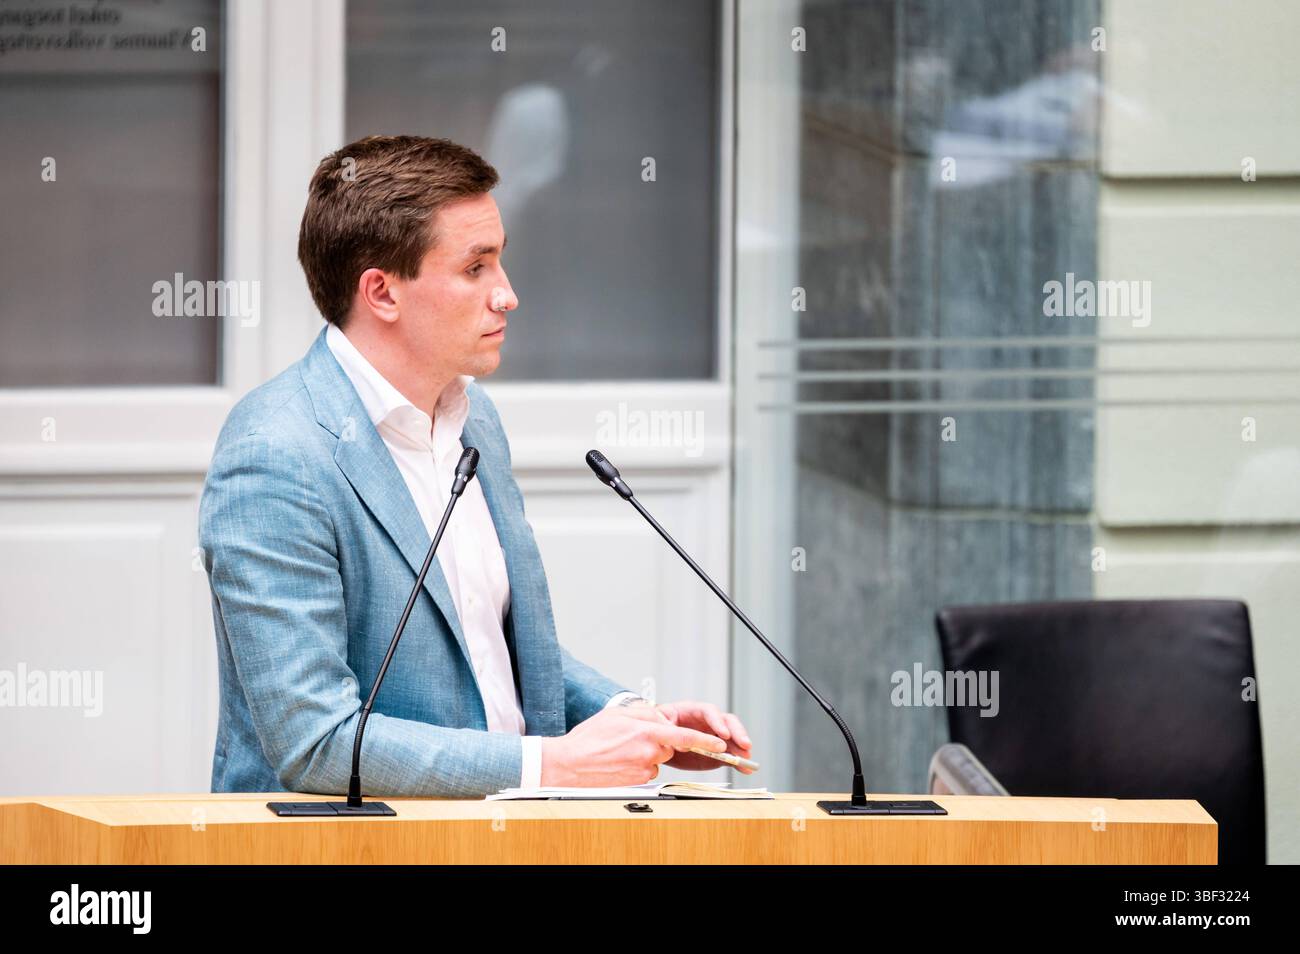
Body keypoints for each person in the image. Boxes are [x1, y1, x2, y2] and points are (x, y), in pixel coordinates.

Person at [199, 134, 753, 797]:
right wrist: (553, 767)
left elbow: (490, 645)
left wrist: (631, 718)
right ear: (381, 292)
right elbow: (314, 741)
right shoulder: (276, 453)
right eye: (475, 268)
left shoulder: (473, 418)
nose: (507, 294)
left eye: (501, 263)